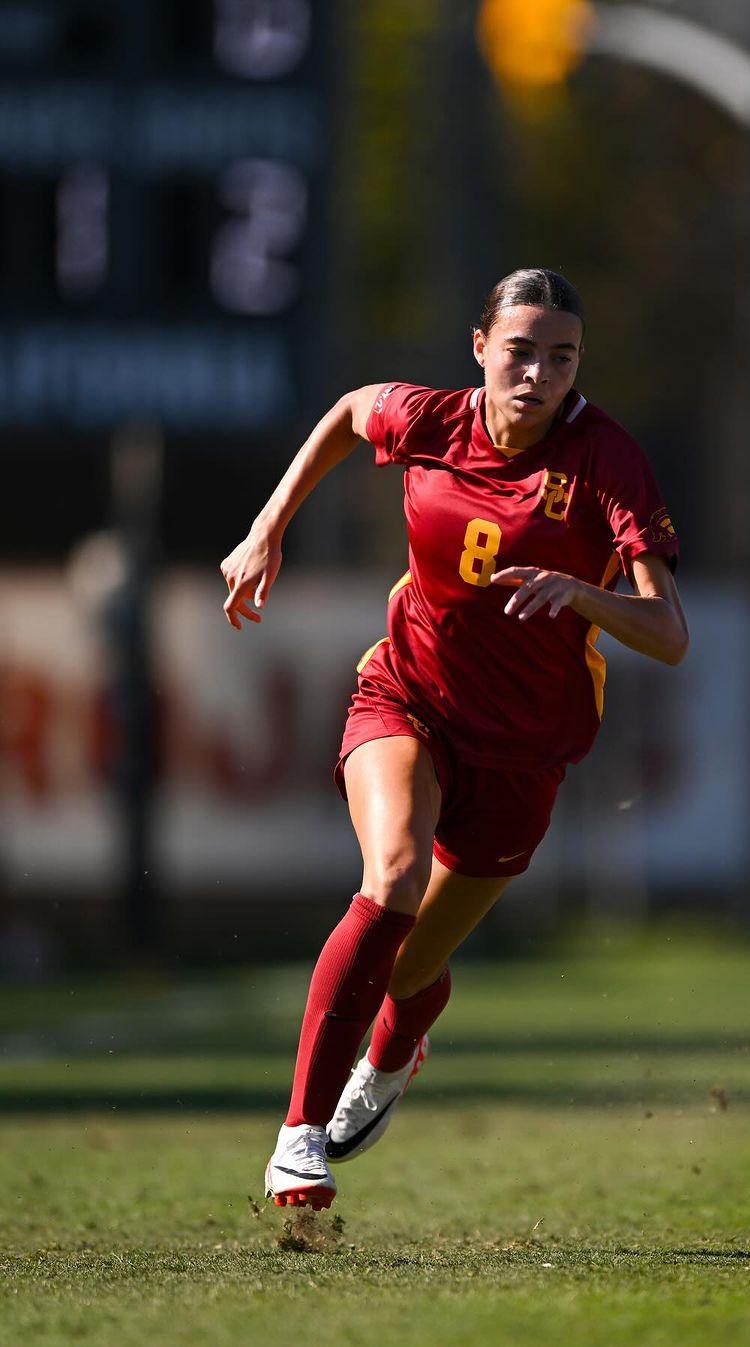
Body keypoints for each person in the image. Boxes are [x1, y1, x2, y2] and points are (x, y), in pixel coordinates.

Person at [220, 268, 688, 1210]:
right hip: (408, 694)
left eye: (562, 357)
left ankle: (397, 1049)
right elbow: (354, 412)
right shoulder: (433, 419)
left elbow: (668, 632)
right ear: (480, 349)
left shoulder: (605, 459)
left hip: (525, 751)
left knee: (409, 969)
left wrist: (583, 593)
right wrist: (266, 528)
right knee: (388, 876)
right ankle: (298, 1136)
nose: (539, 374)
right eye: (520, 350)